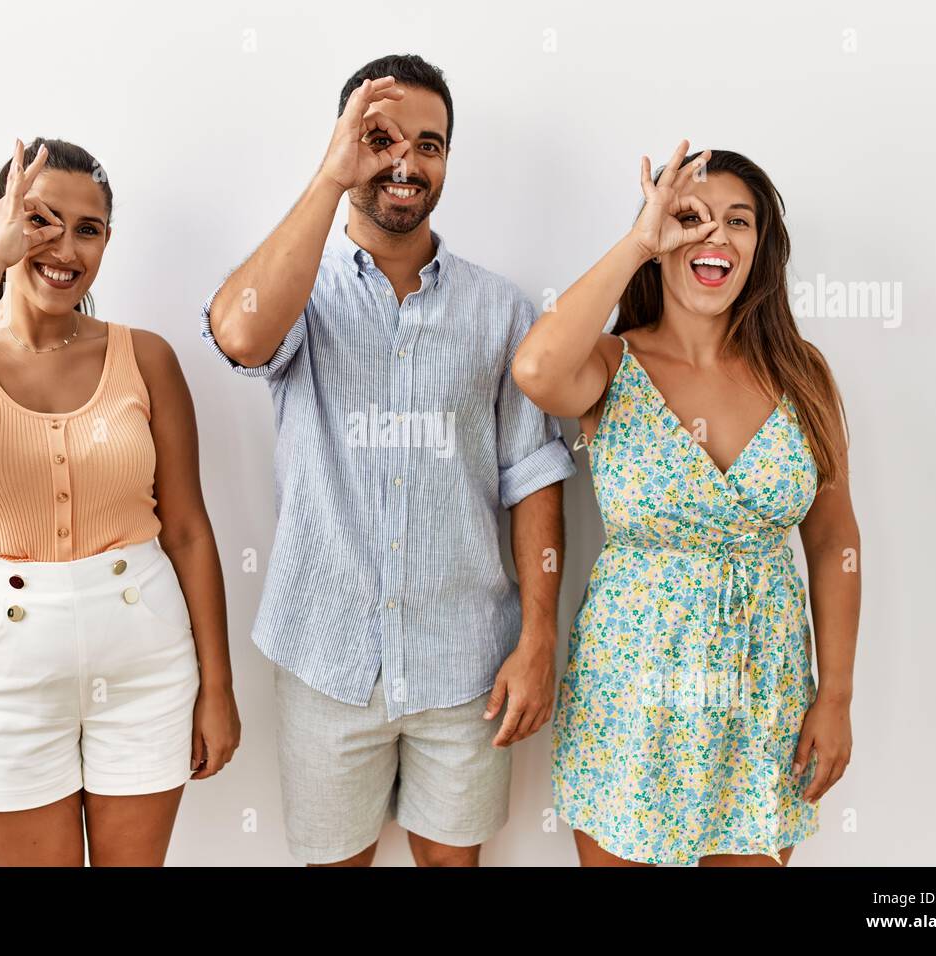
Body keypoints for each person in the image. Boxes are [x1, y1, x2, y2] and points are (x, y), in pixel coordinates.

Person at [201, 54, 576, 866]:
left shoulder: (502, 309)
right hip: (327, 655)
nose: (406, 163)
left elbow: (533, 477)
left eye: (429, 145)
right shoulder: (300, 291)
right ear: (345, 143)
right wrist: (332, 177)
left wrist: (539, 636)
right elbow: (237, 333)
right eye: (380, 140)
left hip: (468, 661)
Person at [0, 137, 239, 866]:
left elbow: (190, 532)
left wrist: (219, 689)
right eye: (39, 221)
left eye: (88, 229)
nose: (64, 248)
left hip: (147, 658)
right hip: (5, 667)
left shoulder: (146, 357)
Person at [513, 141, 859, 866]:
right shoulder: (611, 364)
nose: (715, 235)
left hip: (763, 691)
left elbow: (833, 543)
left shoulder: (802, 373)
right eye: (691, 217)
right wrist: (638, 240)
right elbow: (536, 368)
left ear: (759, 249)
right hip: (631, 689)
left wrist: (836, 697)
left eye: (739, 221)